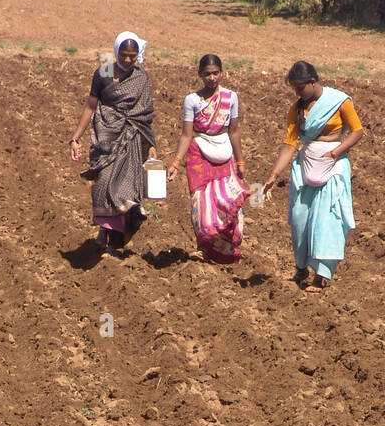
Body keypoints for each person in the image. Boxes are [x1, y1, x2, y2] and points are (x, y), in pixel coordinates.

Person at [262, 60, 364, 291]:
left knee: (326, 221)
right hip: (306, 166)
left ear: (313, 81)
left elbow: (357, 130)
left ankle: (321, 276)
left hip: (333, 167)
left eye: (300, 88)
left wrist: (337, 151)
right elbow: (290, 144)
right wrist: (274, 174)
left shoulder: (339, 101)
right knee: (300, 219)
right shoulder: (297, 108)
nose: (297, 93)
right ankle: (301, 268)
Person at [70, 31, 158, 253]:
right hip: (107, 138)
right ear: (116, 51)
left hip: (131, 140)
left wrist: (152, 145)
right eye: (124, 55)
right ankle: (104, 231)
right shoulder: (104, 72)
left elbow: (144, 115)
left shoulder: (140, 77)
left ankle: (121, 237)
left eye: (132, 55)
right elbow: (91, 106)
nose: (128, 60)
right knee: (103, 185)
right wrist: (76, 137)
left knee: (126, 192)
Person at [167, 54, 250, 264]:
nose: (212, 78)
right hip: (198, 154)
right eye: (207, 74)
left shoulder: (230, 98)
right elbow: (186, 134)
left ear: (221, 73)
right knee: (202, 201)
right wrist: (176, 162)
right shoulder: (192, 100)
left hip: (223, 152)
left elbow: (234, 132)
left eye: (215, 73)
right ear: (200, 75)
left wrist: (240, 162)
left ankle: (224, 245)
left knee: (225, 199)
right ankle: (204, 248)